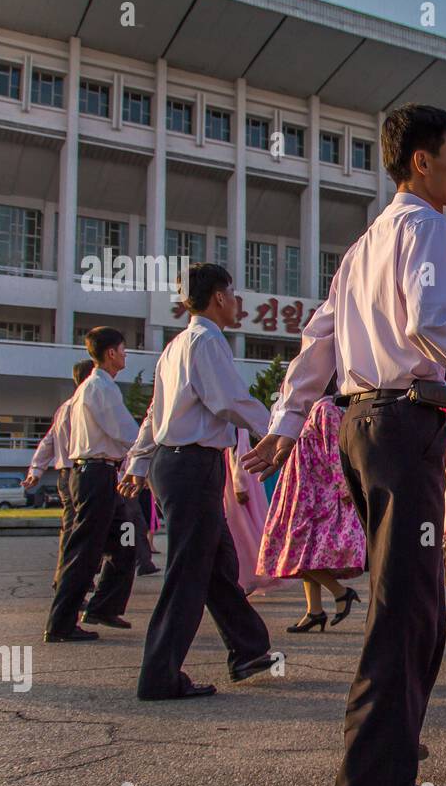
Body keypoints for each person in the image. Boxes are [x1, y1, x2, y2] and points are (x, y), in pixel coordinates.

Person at [242, 104, 446, 786]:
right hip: (403, 426)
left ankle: (392, 747)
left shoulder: (365, 244)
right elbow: (432, 324)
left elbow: (319, 340)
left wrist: (288, 418)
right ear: (422, 164)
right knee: (409, 607)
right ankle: (374, 779)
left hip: (362, 425)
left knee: (406, 600)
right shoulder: (427, 225)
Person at [121, 263, 277, 700]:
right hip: (191, 466)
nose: (238, 302)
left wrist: (137, 464)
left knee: (216, 565)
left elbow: (154, 414)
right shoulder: (207, 341)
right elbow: (230, 401)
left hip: (178, 465)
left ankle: (249, 649)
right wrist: (279, 431)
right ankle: (159, 676)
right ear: (220, 297)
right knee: (189, 572)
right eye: (234, 293)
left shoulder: (176, 346)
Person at [42, 329, 139, 641]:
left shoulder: (98, 386)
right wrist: (151, 448)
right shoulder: (100, 387)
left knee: (126, 542)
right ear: (111, 353)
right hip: (94, 475)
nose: (126, 355)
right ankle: (60, 625)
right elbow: (124, 431)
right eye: (123, 349)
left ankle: (104, 606)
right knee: (84, 552)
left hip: (102, 475)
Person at [257, 392, 365, 632]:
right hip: (301, 490)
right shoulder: (302, 412)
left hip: (319, 492)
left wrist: (343, 484)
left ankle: (341, 593)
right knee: (306, 549)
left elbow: (336, 449)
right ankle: (314, 610)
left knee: (298, 548)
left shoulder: (325, 409)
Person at [24, 359, 95, 590]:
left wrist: (36, 469)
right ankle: (68, 582)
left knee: (75, 529)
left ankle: (72, 578)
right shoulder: (81, 405)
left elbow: (49, 441)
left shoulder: (65, 407)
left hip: (67, 474)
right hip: (80, 472)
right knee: (77, 531)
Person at [224, 428, 278, 596]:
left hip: (236, 479)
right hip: (235, 477)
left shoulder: (237, 425)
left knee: (240, 528)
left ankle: (246, 576)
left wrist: (240, 485)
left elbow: (239, 454)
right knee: (244, 526)